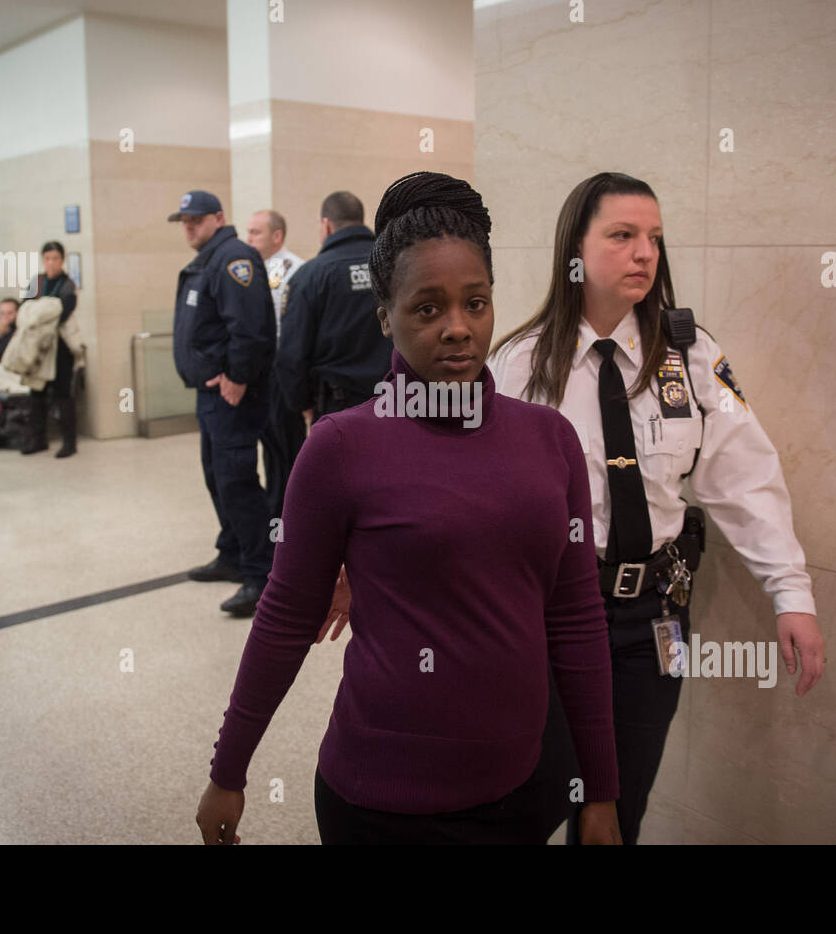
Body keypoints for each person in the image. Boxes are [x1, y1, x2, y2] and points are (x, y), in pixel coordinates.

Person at [195, 172, 622, 846]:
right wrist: (230, 769)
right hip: (380, 802)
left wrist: (600, 789)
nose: (457, 328)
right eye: (427, 308)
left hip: (521, 791)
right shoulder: (341, 446)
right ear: (385, 317)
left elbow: (573, 618)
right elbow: (283, 617)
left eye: (475, 303)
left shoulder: (550, 441)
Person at [488, 172, 827, 845]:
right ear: (575, 253)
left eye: (655, 238)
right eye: (622, 236)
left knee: (619, 809)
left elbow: (744, 477)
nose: (645, 252)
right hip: (553, 611)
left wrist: (792, 593)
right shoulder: (520, 365)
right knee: (531, 796)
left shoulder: (692, 356)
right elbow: (476, 498)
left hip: (655, 619)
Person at [169, 190, 275, 615]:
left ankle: (261, 575)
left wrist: (237, 376)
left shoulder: (234, 259)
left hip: (231, 395)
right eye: (184, 220)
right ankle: (232, 553)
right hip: (209, 394)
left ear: (218, 217)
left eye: (196, 219)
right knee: (217, 477)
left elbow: (250, 328)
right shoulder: (208, 260)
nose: (188, 227)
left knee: (238, 482)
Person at [274, 192, 391, 424]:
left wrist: (301, 403)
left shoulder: (310, 276)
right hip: (397, 401)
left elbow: (292, 353)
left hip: (338, 407)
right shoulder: (394, 265)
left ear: (326, 225)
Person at [245, 209, 307, 520]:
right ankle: (275, 511)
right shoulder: (258, 268)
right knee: (270, 450)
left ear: (277, 236)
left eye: (256, 232)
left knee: (284, 451)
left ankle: (285, 516)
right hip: (264, 377)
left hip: (281, 376)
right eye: (248, 232)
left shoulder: (288, 270)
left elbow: (287, 332)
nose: (249, 239)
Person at [19, 243, 79, 458]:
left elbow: (62, 312)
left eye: (55, 258)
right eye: (47, 258)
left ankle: (69, 442)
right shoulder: (37, 282)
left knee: (63, 395)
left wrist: (40, 313)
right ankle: (38, 439)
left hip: (60, 346)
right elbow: (24, 310)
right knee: (36, 393)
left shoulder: (67, 285)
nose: (51, 262)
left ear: (62, 260)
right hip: (38, 346)